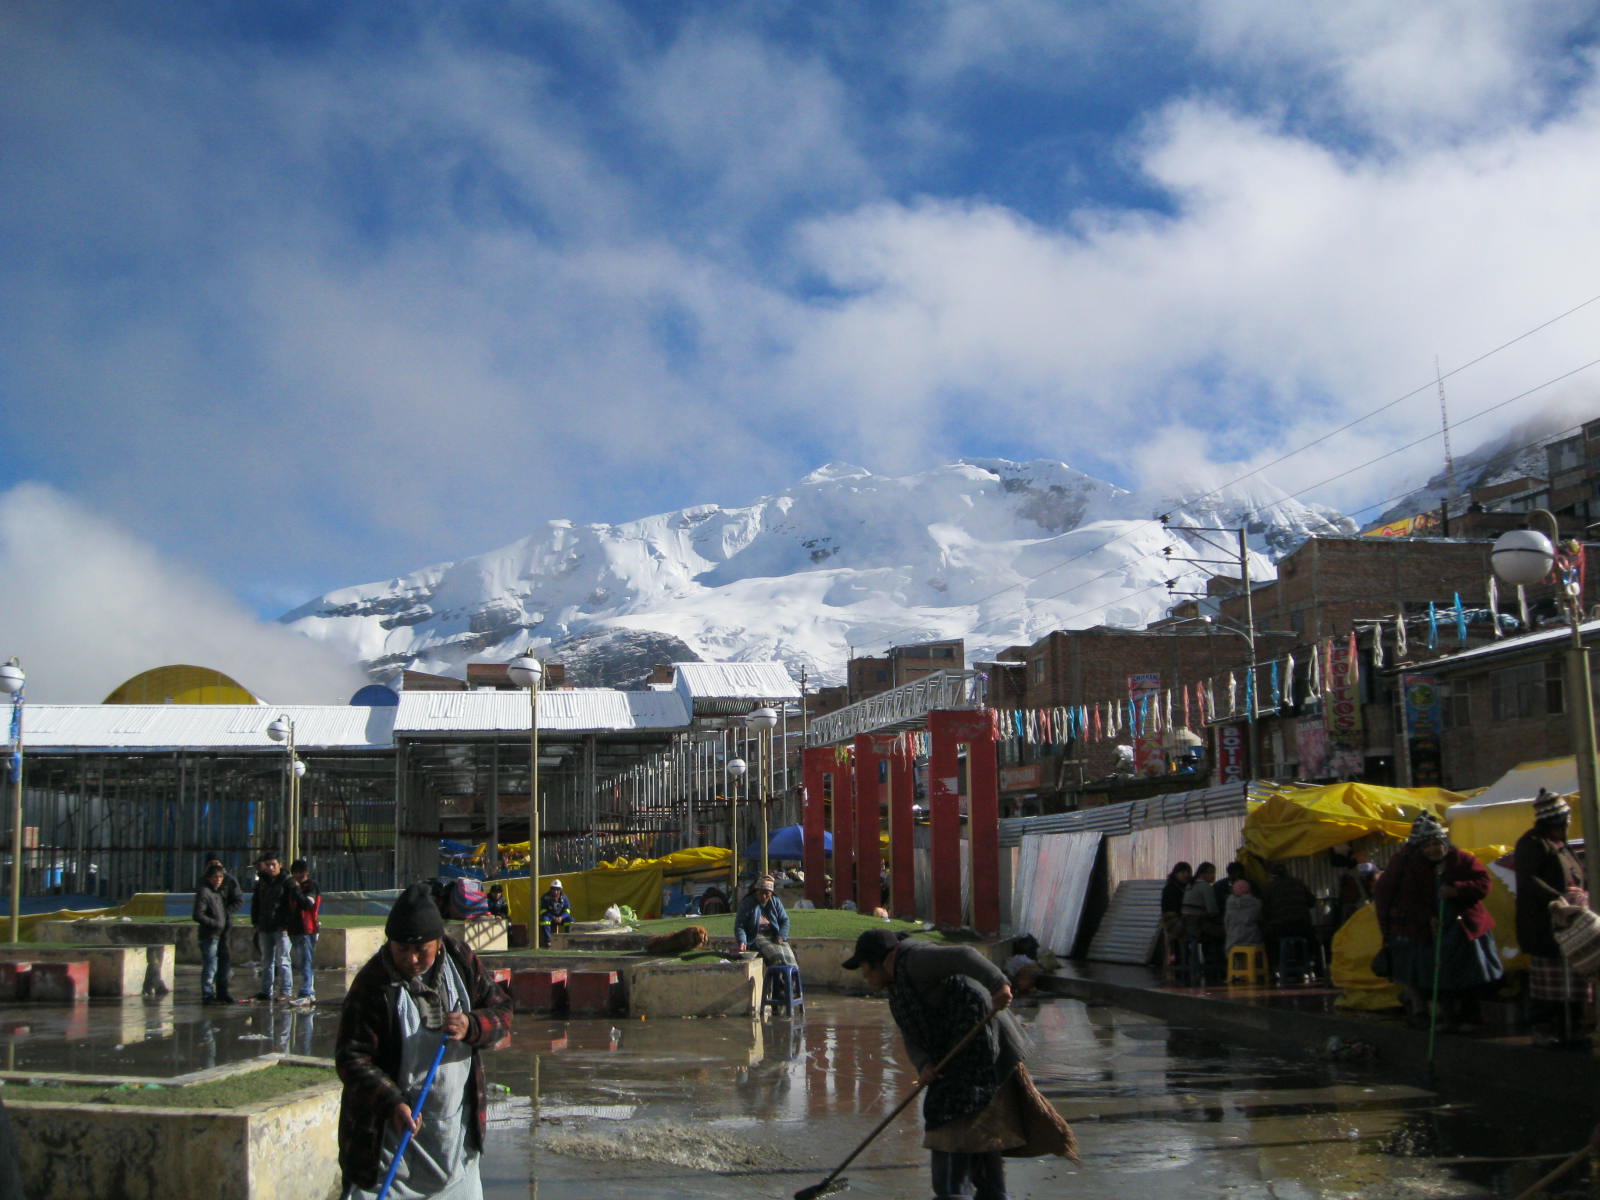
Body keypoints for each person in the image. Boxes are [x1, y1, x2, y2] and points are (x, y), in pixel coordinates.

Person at [841, 929, 1077, 1200]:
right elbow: (911, 1032)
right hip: (954, 1057)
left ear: (880, 961)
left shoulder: (917, 959)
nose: (864, 976)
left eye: (864, 968)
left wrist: (998, 984)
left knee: (958, 1130)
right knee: (979, 1137)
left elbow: (964, 954)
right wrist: (924, 1064)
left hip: (985, 1051)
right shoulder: (896, 985)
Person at [335, 882, 513, 1198]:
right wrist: (391, 1101)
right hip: (390, 1143)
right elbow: (351, 1058)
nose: (413, 959)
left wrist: (473, 1025)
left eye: (422, 950)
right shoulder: (373, 985)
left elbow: (503, 1012)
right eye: (402, 949)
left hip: (455, 1137)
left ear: (439, 942)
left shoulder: (462, 961)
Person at [1374, 813, 1503, 1033]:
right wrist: (1425, 917)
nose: (1435, 850)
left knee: (1466, 974)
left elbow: (1483, 884)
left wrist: (1457, 890)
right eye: (1429, 845)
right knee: (1439, 974)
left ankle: (1470, 1017)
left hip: (1462, 927)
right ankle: (1447, 1018)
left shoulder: (1461, 859)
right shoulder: (1411, 865)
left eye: (1438, 844)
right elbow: (1406, 896)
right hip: (1431, 929)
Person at [1514, 789, 1591, 1046]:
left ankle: (1575, 1028)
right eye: (1564, 821)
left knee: (1577, 975)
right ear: (1554, 822)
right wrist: (1555, 900)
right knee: (1549, 980)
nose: (1567, 825)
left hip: (1573, 922)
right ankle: (1544, 1028)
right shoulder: (1532, 843)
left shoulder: (1564, 846)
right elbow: (1529, 879)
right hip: (1545, 924)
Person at [250, 851, 294, 1003]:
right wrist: (255, 922)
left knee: (283, 960)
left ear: (280, 865)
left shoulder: (287, 882)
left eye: (273, 865)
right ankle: (266, 991)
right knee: (266, 961)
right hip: (265, 926)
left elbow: (291, 905)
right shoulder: (261, 882)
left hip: (281, 928)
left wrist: (286, 924)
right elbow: (256, 903)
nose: (270, 868)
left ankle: (285, 990)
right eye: (268, 865)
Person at [1261, 863, 1318, 977]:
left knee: (1267, 938)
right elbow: (1312, 902)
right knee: (1310, 940)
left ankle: (1274, 968)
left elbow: (1265, 910)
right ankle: (1311, 966)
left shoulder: (1269, 887)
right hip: (1303, 926)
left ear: (1272, 875)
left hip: (1281, 928)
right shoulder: (1299, 883)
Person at [194, 863, 235, 1005]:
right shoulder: (205, 892)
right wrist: (216, 924)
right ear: (209, 878)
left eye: (220, 877)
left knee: (217, 965)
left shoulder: (217, 892)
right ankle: (207, 994)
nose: (218, 879)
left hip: (218, 935)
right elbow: (198, 914)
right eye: (215, 877)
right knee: (210, 966)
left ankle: (219, 993)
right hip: (209, 935)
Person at [735, 874, 797, 968]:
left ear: (771, 893)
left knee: (790, 958)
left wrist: (781, 936)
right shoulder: (747, 903)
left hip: (773, 935)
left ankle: (791, 979)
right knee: (777, 957)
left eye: (767, 894)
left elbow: (784, 920)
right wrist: (742, 941)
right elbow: (740, 925)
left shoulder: (775, 902)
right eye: (761, 893)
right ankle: (779, 979)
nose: (764, 897)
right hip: (756, 936)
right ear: (756, 891)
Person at [288, 859, 322, 1007]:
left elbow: (307, 904)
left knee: (305, 961)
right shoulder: (292, 886)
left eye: (301, 872)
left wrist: (296, 890)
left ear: (306, 873)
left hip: (307, 928)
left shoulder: (311, 886)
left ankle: (306, 993)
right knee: (302, 962)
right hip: (294, 928)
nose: (298, 875)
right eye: (295, 873)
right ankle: (308, 990)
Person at [1181, 862, 1223, 979]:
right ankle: (1215, 967)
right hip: (1198, 924)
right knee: (1220, 933)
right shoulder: (1205, 887)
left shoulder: (1190, 885)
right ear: (1202, 874)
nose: (1213, 876)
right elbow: (1212, 910)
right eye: (1210, 873)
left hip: (1186, 923)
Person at [1159, 861, 1193, 971]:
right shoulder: (1171, 888)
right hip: (1173, 921)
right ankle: (1180, 962)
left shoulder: (1187, 887)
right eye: (1183, 872)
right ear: (1176, 873)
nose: (1186, 875)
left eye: (1188, 872)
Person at [1224, 879, 1263, 952]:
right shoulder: (1256, 903)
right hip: (1252, 938)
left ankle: (1235, 962)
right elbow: (1259, 918)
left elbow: (1227, 922)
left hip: (1233, 939)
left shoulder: (1229, 903)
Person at [538, 879, 572, 948]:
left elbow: (567, 911)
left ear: (561, 890)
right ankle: (548, 941)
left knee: (570, 920)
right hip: (550, 917)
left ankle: (567, 939)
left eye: (557, 889)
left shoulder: (564, 898)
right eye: (553, 889)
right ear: (550, 889)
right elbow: (543, 911)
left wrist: (561, 917)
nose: (555, 892)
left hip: (561, 918)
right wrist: (552, 917)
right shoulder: (545, 897)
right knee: (545, 920)